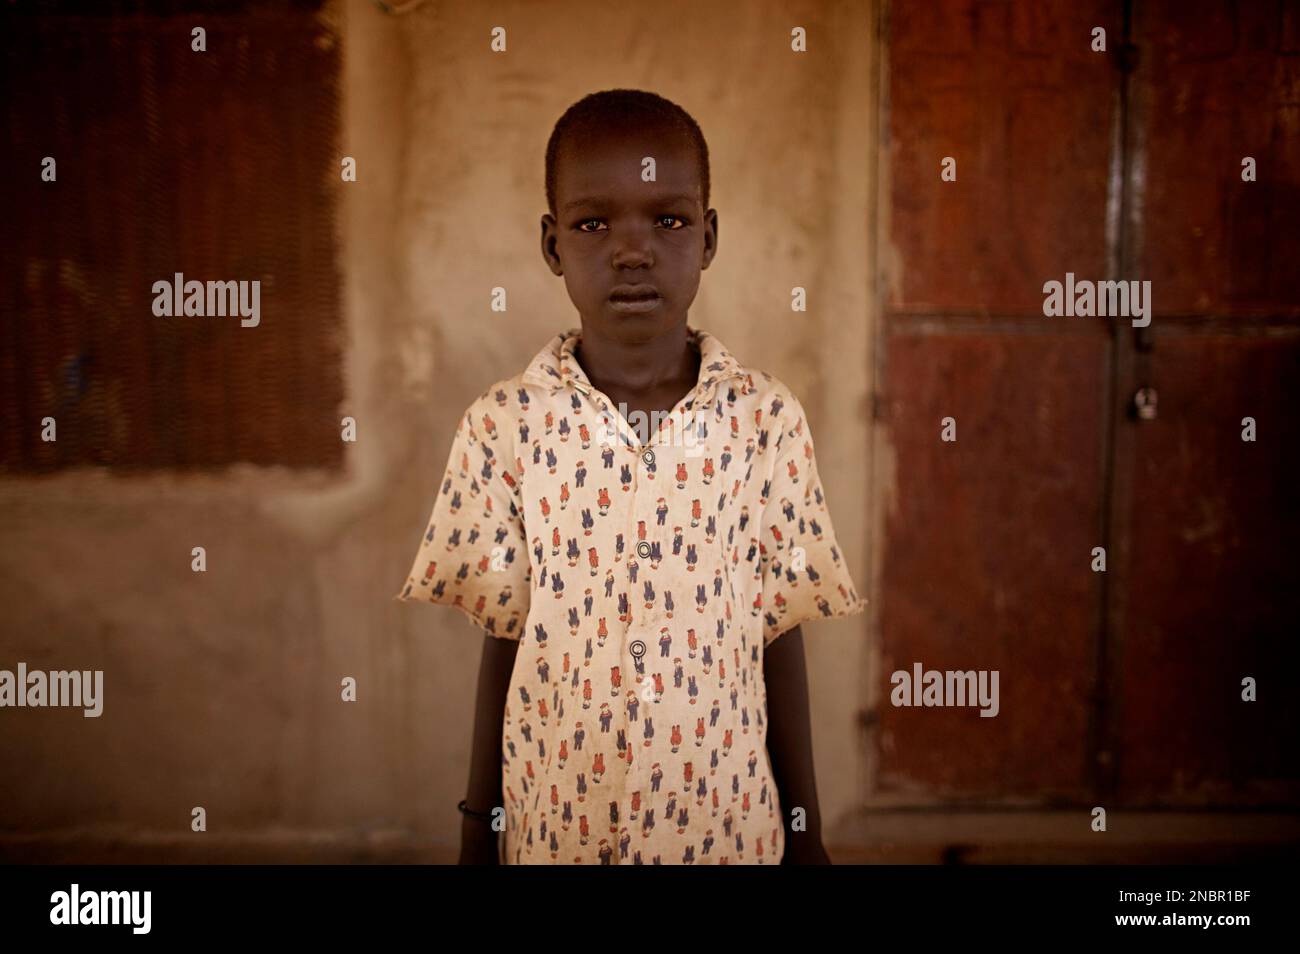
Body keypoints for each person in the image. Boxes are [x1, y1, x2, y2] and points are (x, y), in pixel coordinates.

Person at [393, 89, 867, 864]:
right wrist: (479, 828)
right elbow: (507, 638)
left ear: (708, 237)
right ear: (552, 247)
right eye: (592, 224)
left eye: (669, 220)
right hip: (559, 832)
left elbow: (777, 633)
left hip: (726, 829)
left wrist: (804, 830)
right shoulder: (505, 426)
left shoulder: (764, 423)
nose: (633, 250)